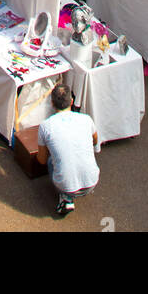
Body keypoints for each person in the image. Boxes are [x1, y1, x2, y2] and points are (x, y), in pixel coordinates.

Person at [36, 84, 99, 218]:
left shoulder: (45, 126)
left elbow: (41, 160)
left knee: (50, 161)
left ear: (52, 103)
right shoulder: (86, 119)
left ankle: (66, 197)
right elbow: (94, 141)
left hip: (65, 186)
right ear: (71, 101)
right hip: (92, 182)